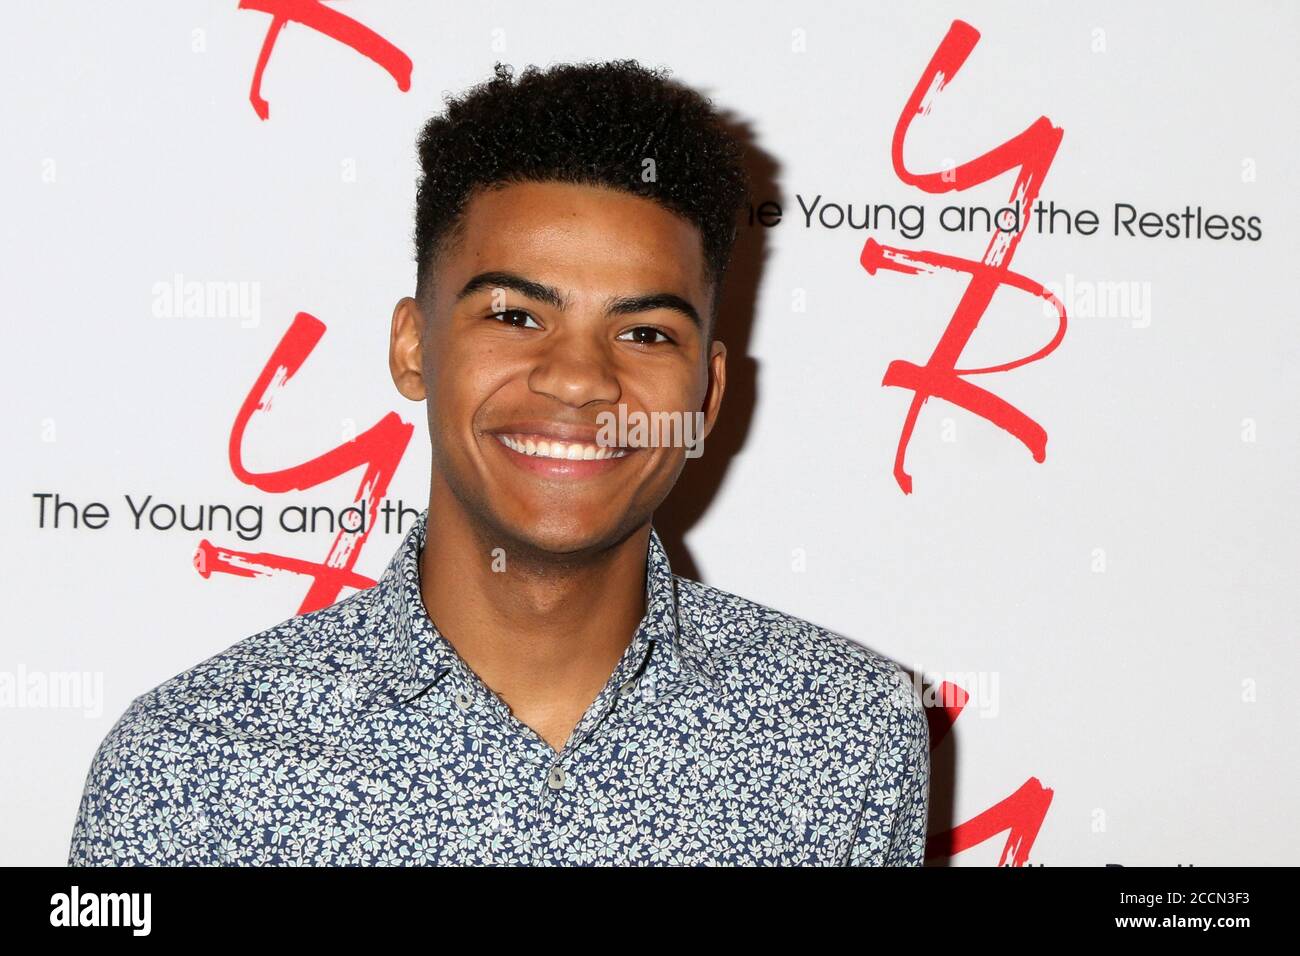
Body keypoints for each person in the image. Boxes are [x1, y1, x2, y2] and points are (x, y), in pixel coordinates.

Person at [68, 59, 929, 866]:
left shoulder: (849, 736)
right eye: (515, 316)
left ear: (704, 398)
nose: (580, 379)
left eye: (644, 332)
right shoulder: (190, 773)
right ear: (413, 347)